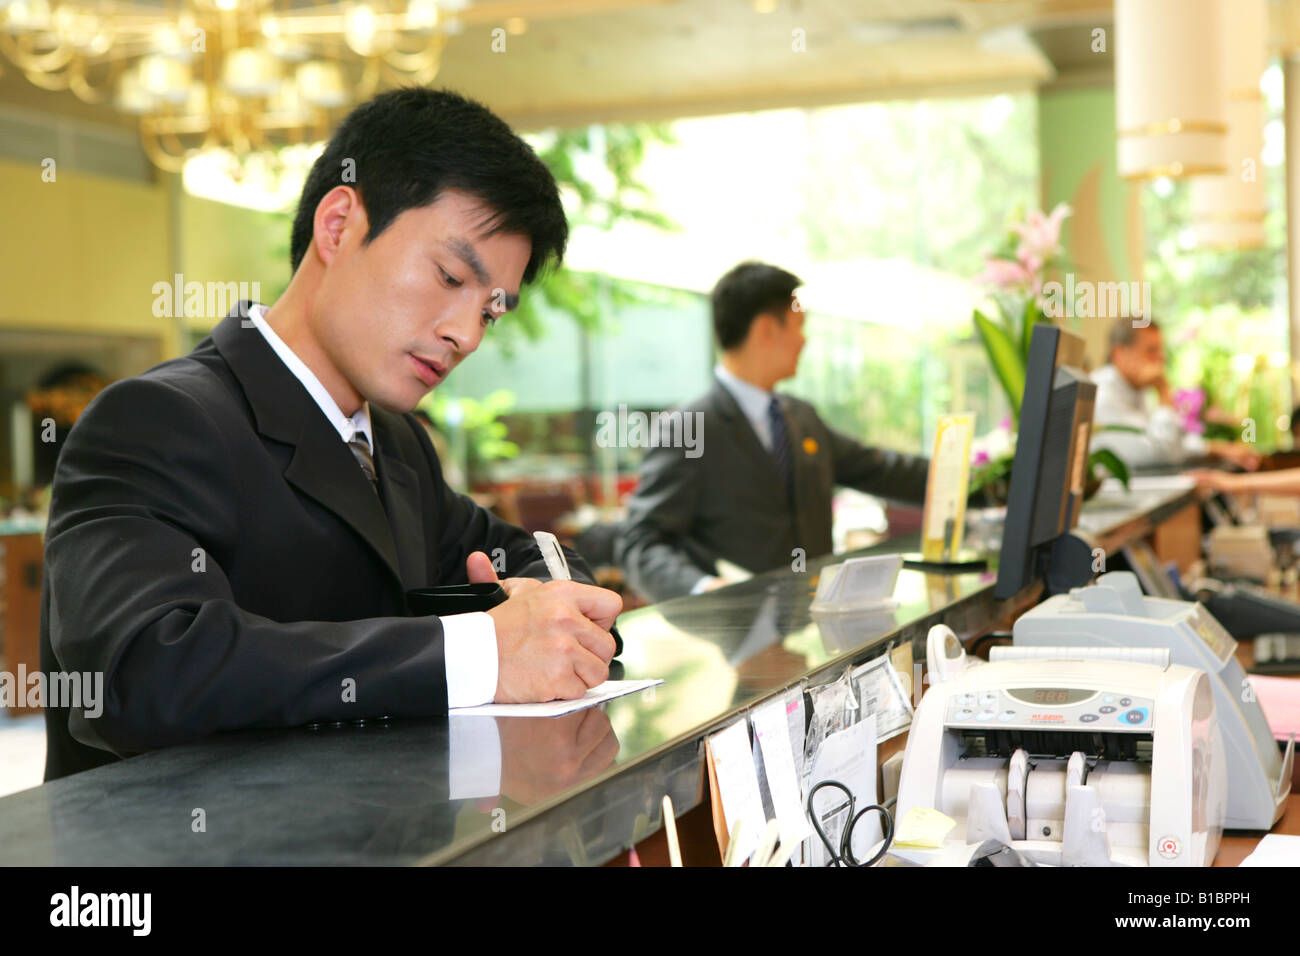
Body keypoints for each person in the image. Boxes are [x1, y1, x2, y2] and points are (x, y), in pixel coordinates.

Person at [40, 88, 622, 780]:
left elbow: (522, 550)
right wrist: (477, 651)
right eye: (449, 276)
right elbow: (139, 671)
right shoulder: (157, 419)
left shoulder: (397, 445)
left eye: (490, 312)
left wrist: (551, 609)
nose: (466, 335)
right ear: (339, 224)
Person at [616, 261, 929, 604]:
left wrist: (967, 479)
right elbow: (641, 542)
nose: (804, 341)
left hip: (813, 621)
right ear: (767, 328)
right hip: (735, 630)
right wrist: (702, 588)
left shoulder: (802, 418)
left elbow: (881, 469)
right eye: (798, 326)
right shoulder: (690, 427)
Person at [1091, 317, 1258, 471]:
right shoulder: (1102, 396)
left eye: (1160, 350)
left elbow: (1173, 443)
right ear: (1119, 354)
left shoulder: (1134, 391)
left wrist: (1216, 449)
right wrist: (1163, 390)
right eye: (1151, 350)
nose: (1161, 358)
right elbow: (1162, 453)